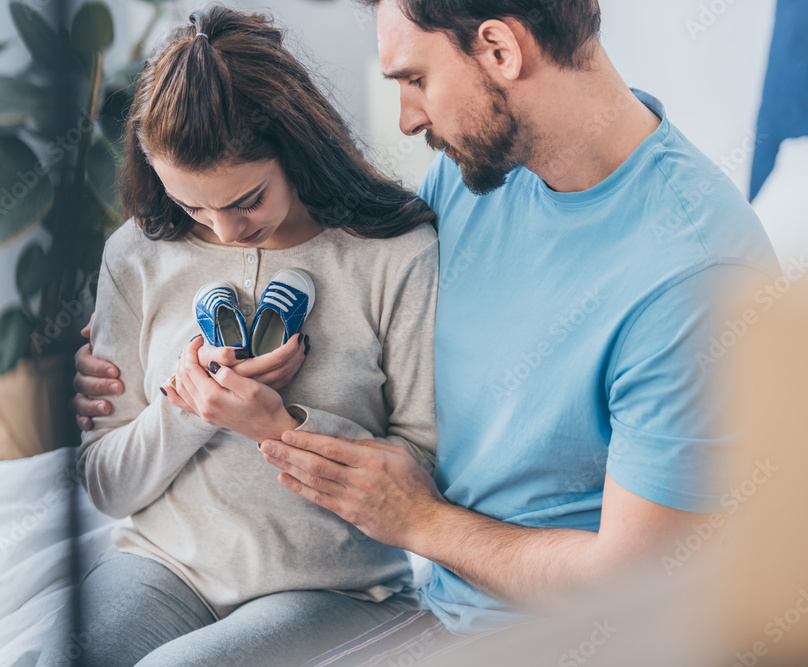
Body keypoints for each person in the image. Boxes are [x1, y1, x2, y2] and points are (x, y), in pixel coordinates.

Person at [73, 0, 780, 664]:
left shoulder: (696, 276)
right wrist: (138, 357)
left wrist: (421, 521)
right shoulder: (480, 180)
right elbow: (358, 297)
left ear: (500, 49)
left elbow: (644, 587)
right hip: (435, 606)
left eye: (414, 78)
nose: (407, 119)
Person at [37, 5, 442, 667]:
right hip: (167, 565)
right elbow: (107, 484)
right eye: (193, 205)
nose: (223, 231)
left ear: (296, 147)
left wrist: (281, 427)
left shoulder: (393, 255)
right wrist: (186, 411)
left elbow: (425, 472)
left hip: (335, 587)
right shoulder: (135, 255)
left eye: (246, 198)